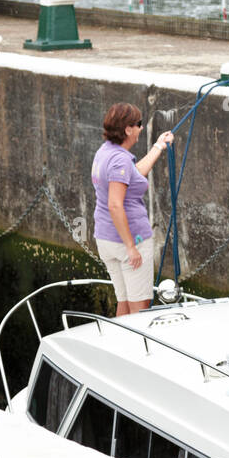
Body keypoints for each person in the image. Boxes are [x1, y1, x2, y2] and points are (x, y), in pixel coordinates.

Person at [91, 103, 173, 316]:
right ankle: (136, 349)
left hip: (106, 239)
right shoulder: (120, 160)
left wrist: (158, 146)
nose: (141, 128)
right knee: (139, 309)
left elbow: (133, 174)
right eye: (138, 124)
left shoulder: (105, 152)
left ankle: (118, 345)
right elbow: (115, 204)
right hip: (129, 242)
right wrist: (130, 247)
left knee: (124, 302)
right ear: (128, 129)